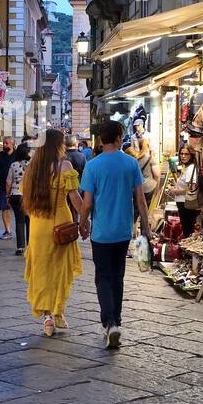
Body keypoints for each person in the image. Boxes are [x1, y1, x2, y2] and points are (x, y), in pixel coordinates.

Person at [79, 119, 151, 350]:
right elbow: (140, 199)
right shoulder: (131, 164)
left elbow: (87, 202)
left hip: (101, 233)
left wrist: (82, 223)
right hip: (123, 231)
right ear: (120, 138)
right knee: (118, 276)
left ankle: (109, 323)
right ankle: (116, 322)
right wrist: (147, 227)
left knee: (103, 277)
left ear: (100, 140)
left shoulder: (93, 166)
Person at [22, 129, 83, 337]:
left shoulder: (32, 168)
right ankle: (57, 310)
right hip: (61, 222)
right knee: (60, 269)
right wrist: (85, 219)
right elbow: (74, 197)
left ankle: (48, 316)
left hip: (38, 224)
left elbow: (27, 199)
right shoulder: (64, 165)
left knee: (41, 269)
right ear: (58, 145)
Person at [168, 145, 202, 238]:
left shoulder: (191, 168)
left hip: (187, 203)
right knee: (187, 230)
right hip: (183, 202)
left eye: (186, 154)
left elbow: (192, 188)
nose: (183, 156)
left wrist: (175, 191)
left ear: (191, 155)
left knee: (188, 231)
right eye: (181, 154)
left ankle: (187, 252)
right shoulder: (187, 167)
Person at [7, 142, 31, 255]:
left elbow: (8, 182)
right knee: (30, 221)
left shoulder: (13, 165)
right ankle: (31, 245)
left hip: (16, 195)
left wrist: (7, 195)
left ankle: (20, 247)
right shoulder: (33, 165)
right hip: (30, 196)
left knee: (19, 221)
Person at [0, 138, 15, 240]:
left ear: (12, 144)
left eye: (7, 143)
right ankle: (8, 231)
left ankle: (22, 229)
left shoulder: (18, 155)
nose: (4, 145)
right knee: (5, 208)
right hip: (3, 186)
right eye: (4, 143)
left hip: (17, 187)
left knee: (21, 209)